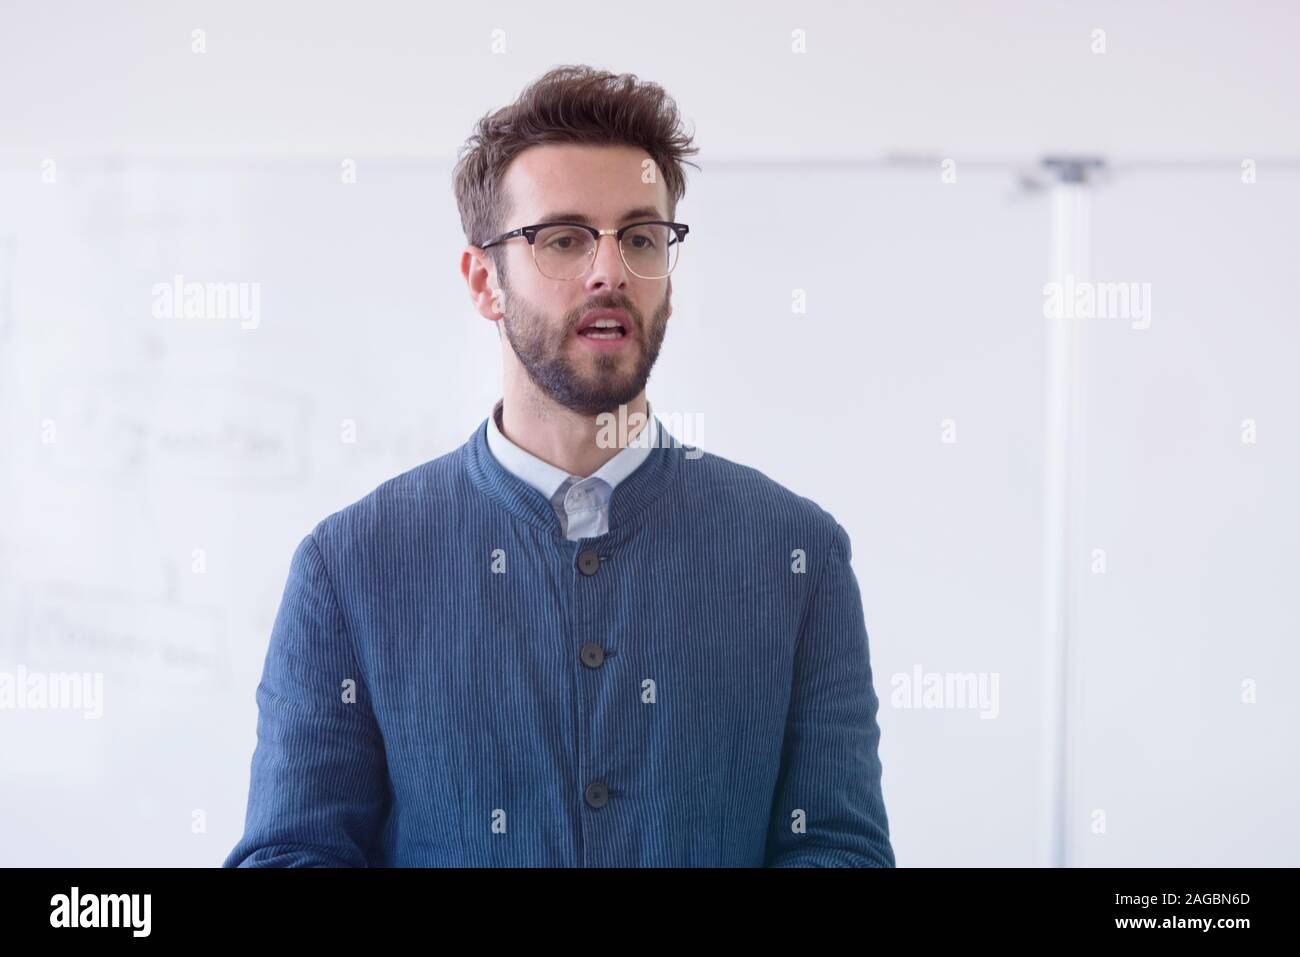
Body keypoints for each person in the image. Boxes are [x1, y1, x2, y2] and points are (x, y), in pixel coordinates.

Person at [224, 64, 894, 867]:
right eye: (564, 238)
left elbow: (838, 849)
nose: (610, 271)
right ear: (485, 282)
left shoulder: (797, 554)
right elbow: (292, 855)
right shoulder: (350, 565)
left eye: (641, 238)